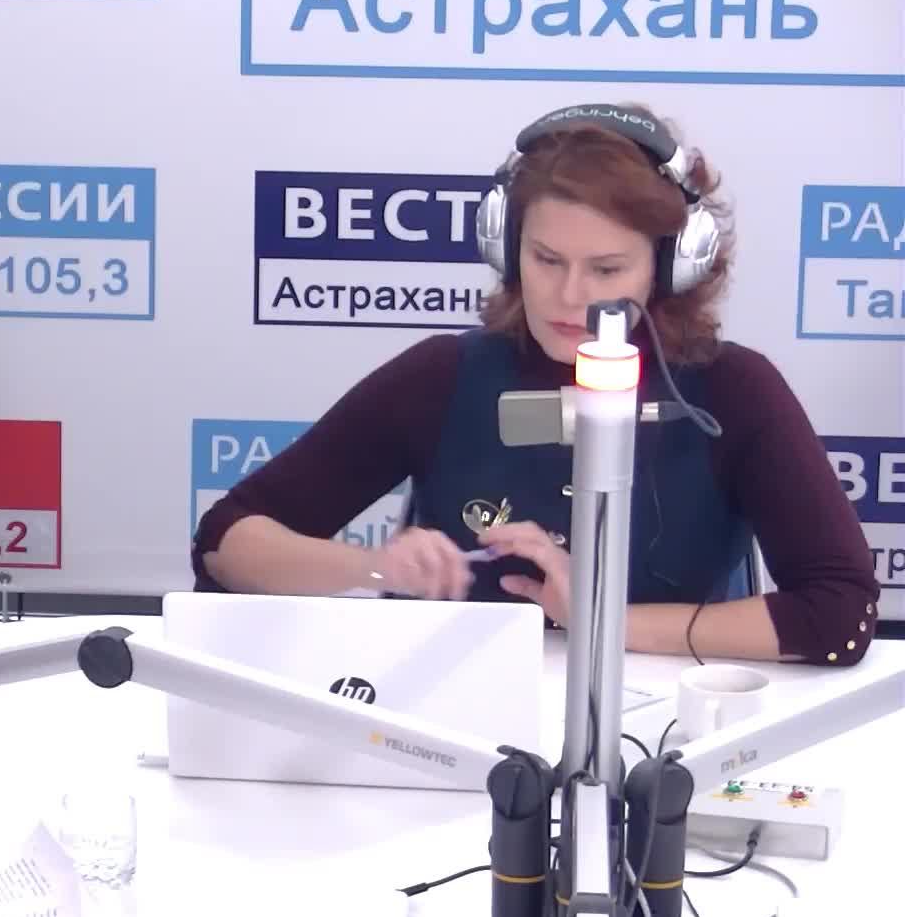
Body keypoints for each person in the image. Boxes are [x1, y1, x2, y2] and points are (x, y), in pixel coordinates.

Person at [193, 102, 878, 668]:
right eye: (547, 259)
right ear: (507, 246)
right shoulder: (442, 375)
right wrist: (373, 569)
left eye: (606, 270)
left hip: (656, 732)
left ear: (671, 268)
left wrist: (604, 623)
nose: (570, 295)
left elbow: (841, 615)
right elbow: (225, 542)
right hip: (451, 723)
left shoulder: (735, 390)